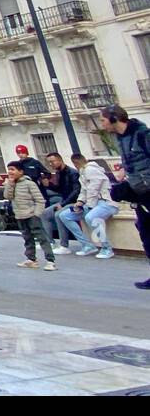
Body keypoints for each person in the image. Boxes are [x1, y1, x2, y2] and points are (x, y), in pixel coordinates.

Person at [98, 105, 150, 288]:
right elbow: (133, 165)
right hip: (140, 193)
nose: (102, 125)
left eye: (103, 120)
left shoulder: (143, 134)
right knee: (146, 234)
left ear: (114, 118)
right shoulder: (121, 138)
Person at [59, 153, 119, 259]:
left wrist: (88, 205)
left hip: (106, 202)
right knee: (65, 215)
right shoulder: (83, 172)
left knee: (91, 217)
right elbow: (84, 190)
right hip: (93, 203)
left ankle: (107, 248)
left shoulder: (91, 170)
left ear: (76, 163)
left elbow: (93, 189)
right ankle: (87, 245)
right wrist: (80, 202)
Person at [4, 160, 57, 271]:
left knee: (42, 238)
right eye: (9, 169)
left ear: (21, 171)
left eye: (13, 169)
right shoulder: (10, 183)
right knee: (27, 238)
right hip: (19, 215)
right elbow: (8, 196)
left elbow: (39, 200)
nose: (10, 172)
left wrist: (36, 214)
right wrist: (10, 184)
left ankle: (50, 260)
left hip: (31, 215)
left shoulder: (29, 183)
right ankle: (31, 259)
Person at [40, 152, 81, 254]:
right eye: (49, 162)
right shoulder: (59, 173)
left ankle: (64, 245)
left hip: (74, 202)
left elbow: (76, 191)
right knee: (44, 214)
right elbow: (59, 189)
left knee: (59, 215)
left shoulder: (73, 173)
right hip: (64, 201)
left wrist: (62, 204)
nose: (51, 164)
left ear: (60, 160)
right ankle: (49, 242)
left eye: (52, 161)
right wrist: (48, 184)